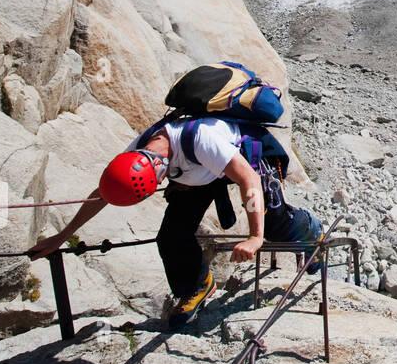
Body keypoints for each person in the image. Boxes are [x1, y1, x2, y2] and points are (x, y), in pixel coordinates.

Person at [29, 115, 323, 329]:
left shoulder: (202, 141)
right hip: (198, 172)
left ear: (159, 169)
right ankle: (196, 286)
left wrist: (256, 236)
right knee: (171, 236)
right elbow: (104, 194)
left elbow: (248, 179)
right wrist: (62, 235)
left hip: (246, 157)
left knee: (276, 227)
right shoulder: (138, 152)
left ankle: (313, 233)